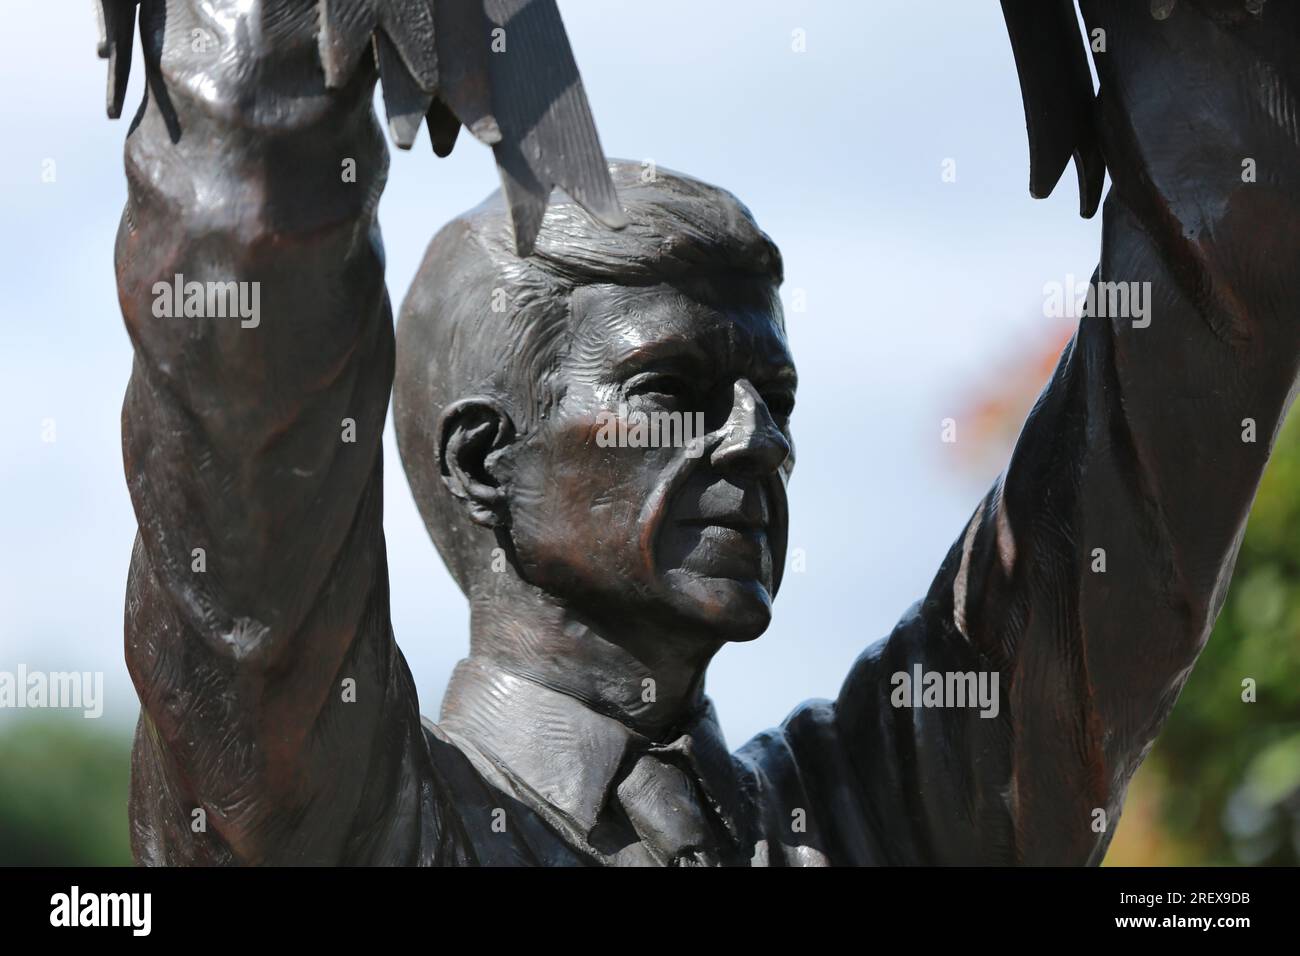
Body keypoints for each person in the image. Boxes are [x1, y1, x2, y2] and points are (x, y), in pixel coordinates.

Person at [108, 0, 1299, 865]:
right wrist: (270, 38)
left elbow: (1210, 316)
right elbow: (241, 334)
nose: (758, 442)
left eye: (774, 398)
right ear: (483, 460)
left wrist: (1201, 38)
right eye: (675, 387)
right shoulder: (351, 824)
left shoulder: (881, 819)